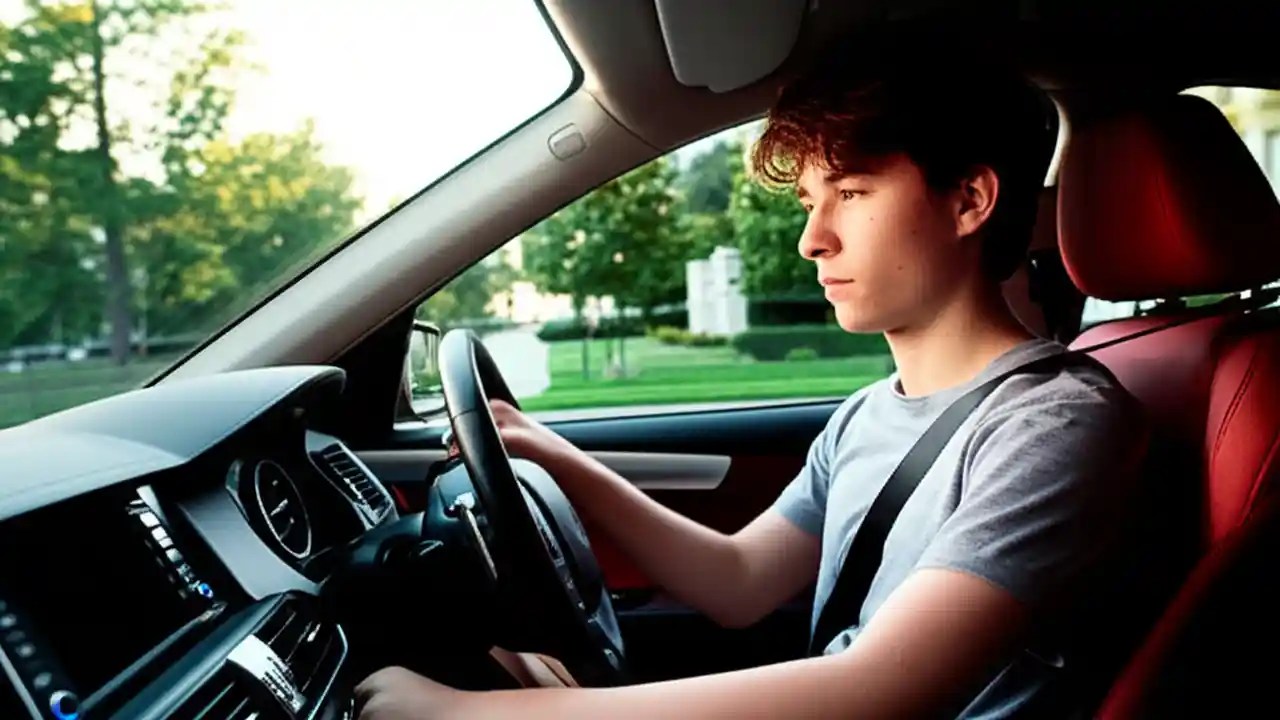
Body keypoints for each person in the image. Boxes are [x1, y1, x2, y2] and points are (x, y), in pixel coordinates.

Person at [356, 41, 1148, 720]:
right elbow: (738, 582)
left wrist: (481, 714)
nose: (812, 238)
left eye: (852, 193)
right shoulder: (867, 415)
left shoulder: (1056, 424)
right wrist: (555, 456)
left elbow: (880, 689)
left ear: (969, 200)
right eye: (809, 200)